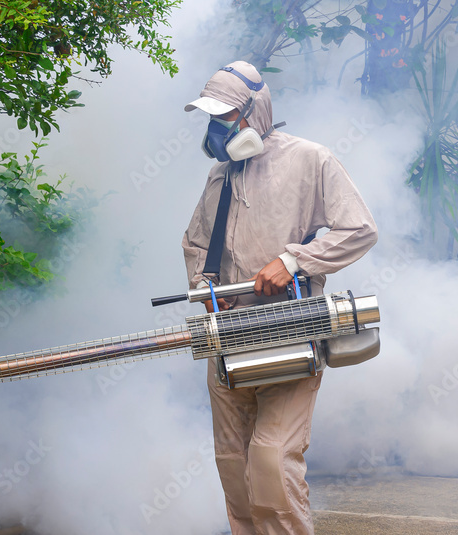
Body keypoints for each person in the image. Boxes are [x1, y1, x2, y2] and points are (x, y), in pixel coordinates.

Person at [182, 60, 378, 534]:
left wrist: (293, 261)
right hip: (227, 340)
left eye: (225, 116)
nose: (217, 127)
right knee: (234, 466)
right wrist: (205, 287)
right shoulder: (220, 176)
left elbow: (360, 229)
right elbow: (194, 242)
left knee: (270, 460)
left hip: (291, 332)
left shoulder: (311, 160)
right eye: (212, 117)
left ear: (257, 112)